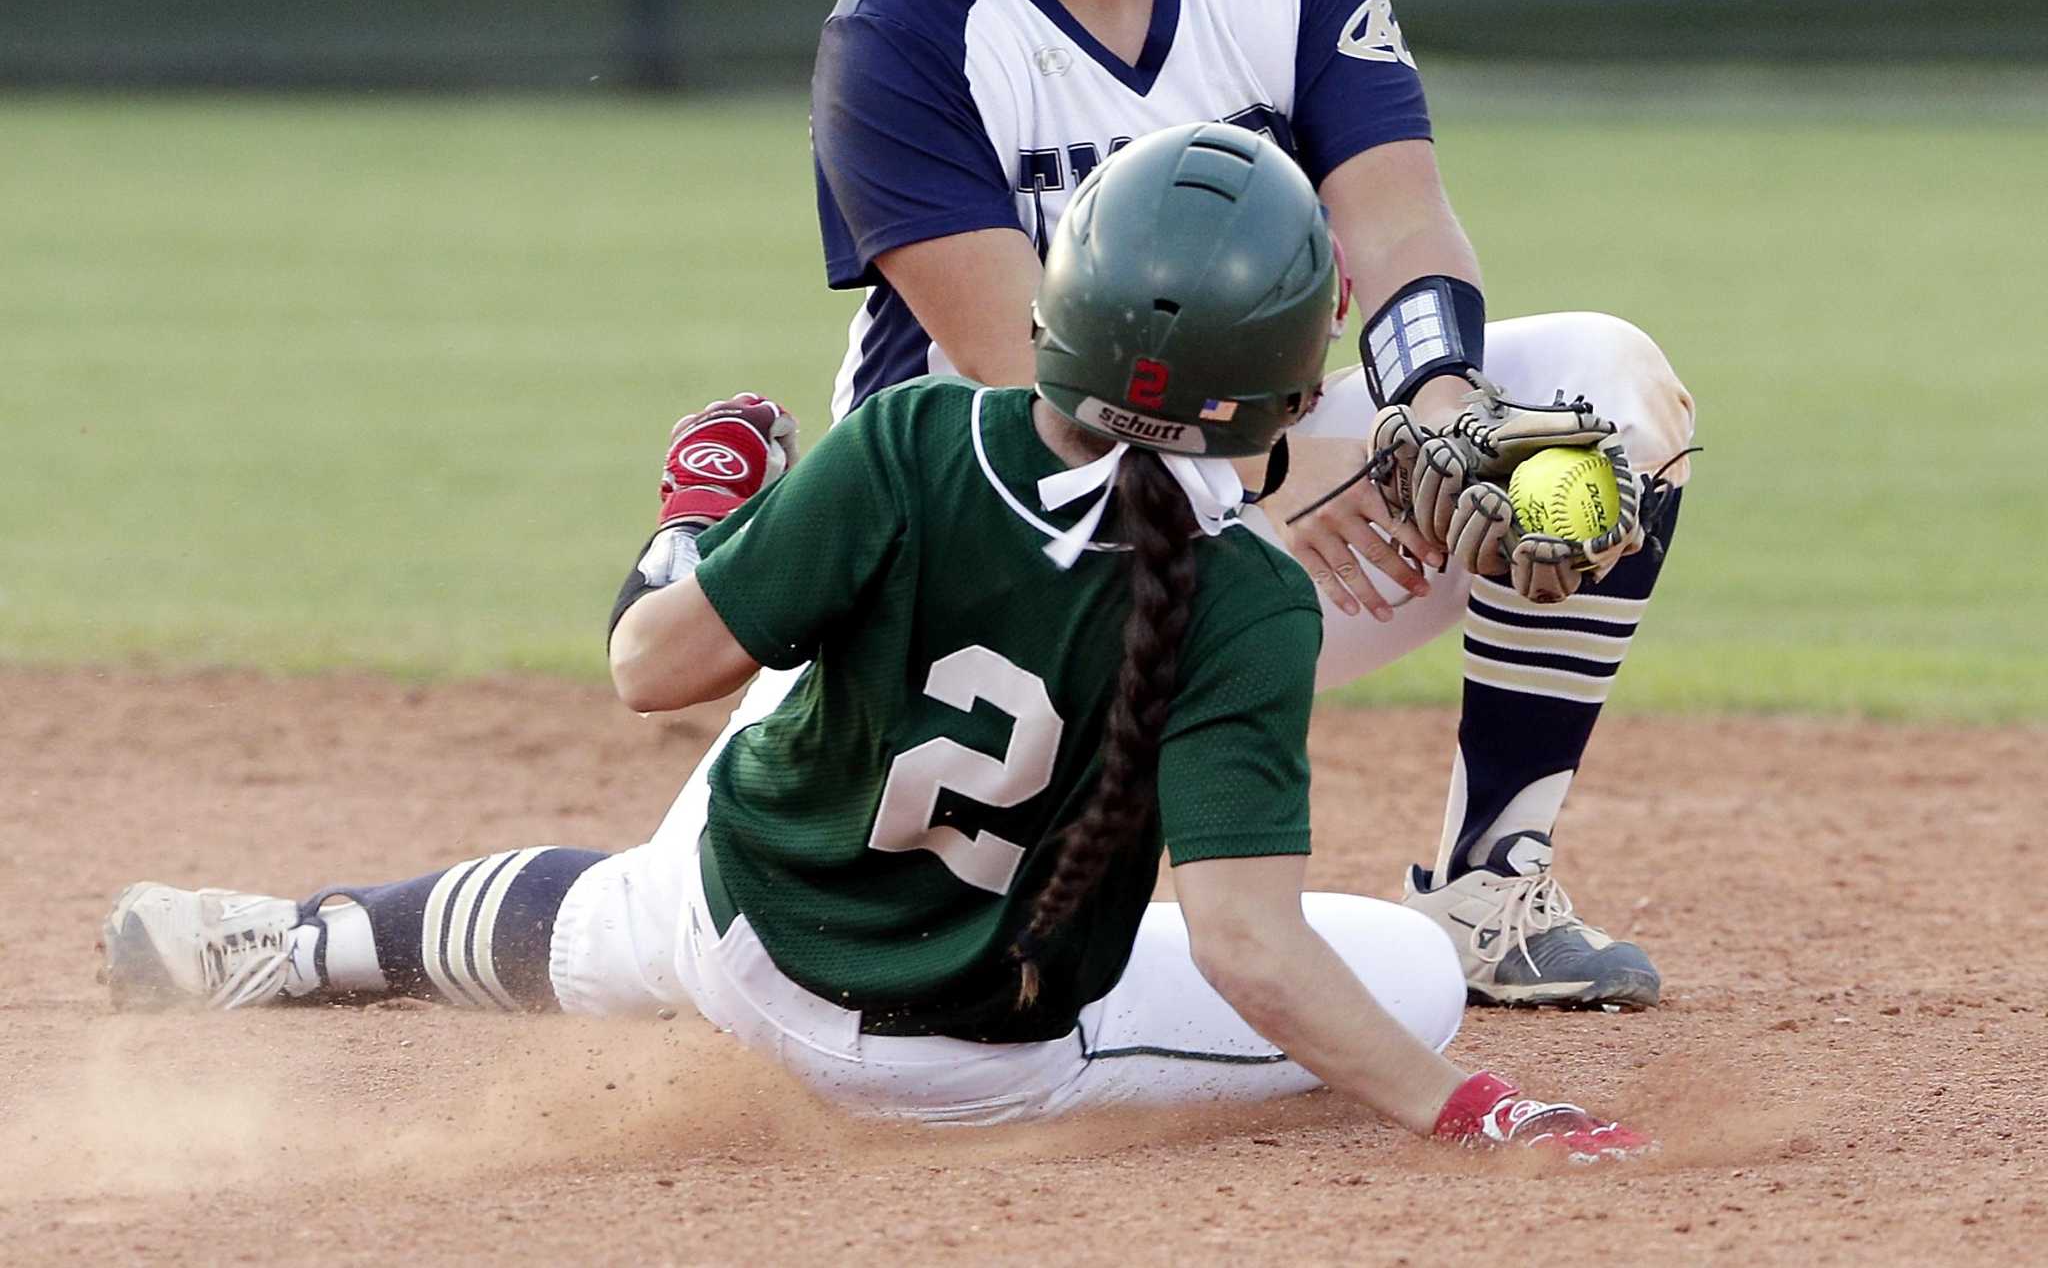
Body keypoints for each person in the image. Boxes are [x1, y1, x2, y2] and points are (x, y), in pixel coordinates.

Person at [101, 125, 1646, 1157]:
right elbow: (1251, 948)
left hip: (737, 916)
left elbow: (650, 673)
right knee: (1406, 983)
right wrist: (1475, 1113)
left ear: (1065, 300)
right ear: (1296, 388)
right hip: (952, 1066)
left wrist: (694, 536)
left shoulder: (909, 439)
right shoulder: (1244, 596)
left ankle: (298, 942)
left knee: (626, 901)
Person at [809, 0, 1697, 1010]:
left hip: (1244, 521)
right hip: (983, 564)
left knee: (1603, 393)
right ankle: (363, 933)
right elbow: (1015, 373)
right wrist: (1260, 488)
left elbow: (1400, 222)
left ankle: (1492, 886)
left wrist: (1436, 426)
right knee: (726, 946)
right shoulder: (903, 30)